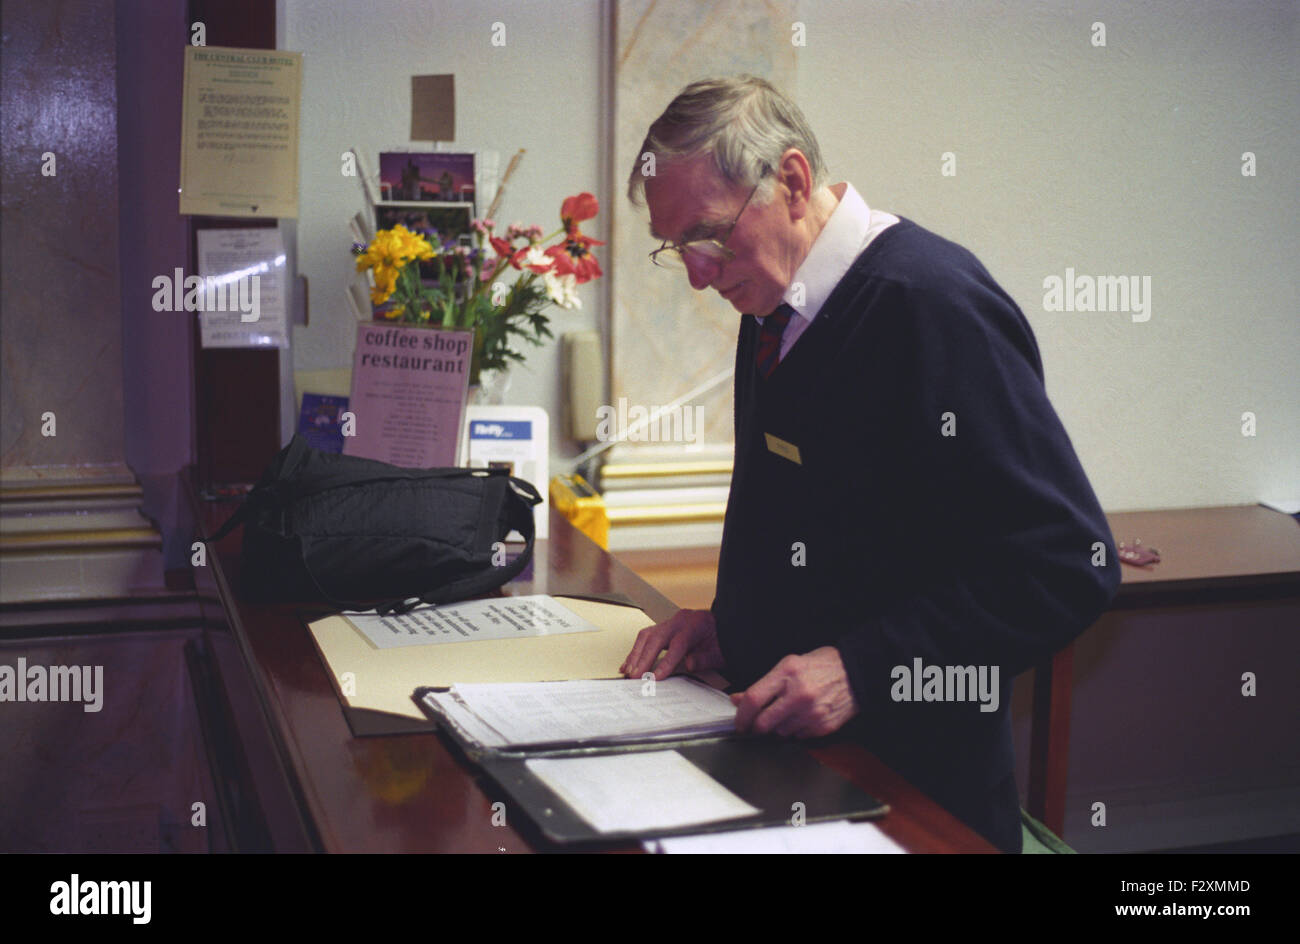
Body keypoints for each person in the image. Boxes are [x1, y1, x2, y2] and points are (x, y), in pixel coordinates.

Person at [619, 76, 1120, 853]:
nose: (696, 273)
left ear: (789, 181)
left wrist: (862, 668)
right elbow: (842, 538)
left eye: (709, 236)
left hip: (920, 803)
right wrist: (734, 629)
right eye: (675, 247)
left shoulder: (931, 303)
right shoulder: (775, 304)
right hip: (801, 776)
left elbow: (1066, 563)